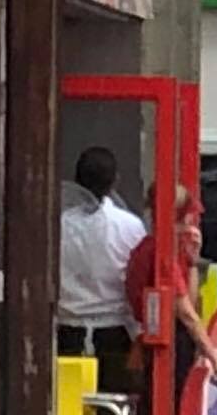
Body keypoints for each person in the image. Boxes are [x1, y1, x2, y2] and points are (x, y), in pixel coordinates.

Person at [55, 145, 150, 393]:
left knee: (67, 404)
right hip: (114, 333)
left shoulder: (58, 224)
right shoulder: (130, 226)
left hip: (68, 331)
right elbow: (138, 277)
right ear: (114, 180)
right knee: (109, 408)